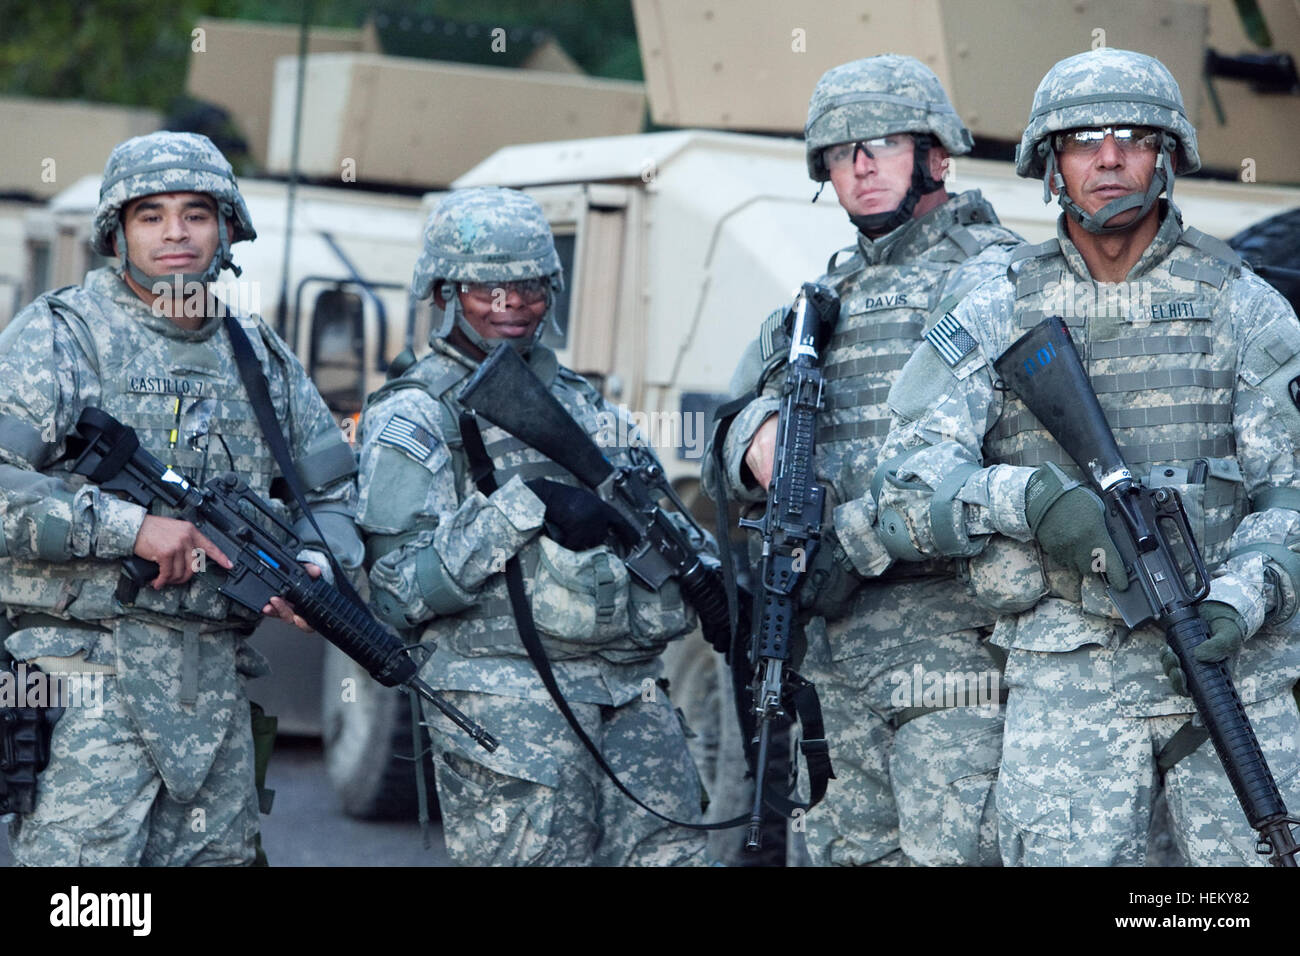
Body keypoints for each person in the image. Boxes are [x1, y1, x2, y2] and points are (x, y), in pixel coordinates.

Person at [874, 48, 1300, 866]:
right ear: (1050, 163)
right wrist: (1030, 501)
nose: (1109, 158)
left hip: (1229, 671)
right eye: (1083, 139)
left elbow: (1293, 494)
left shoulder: (1244, 306)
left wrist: (1242, 599)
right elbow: (903, 488)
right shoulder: (996, 305)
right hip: (1069, 681)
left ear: (1167, 153)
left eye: (1134, 137)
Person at [0, 131, 361, 866]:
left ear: (227, 228)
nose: (175, 234)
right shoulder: (62, 336)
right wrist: (128, 528)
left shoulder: (259, 355)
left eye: (196, 214)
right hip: (86, 683)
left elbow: (332, 490)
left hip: (213, 689)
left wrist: (319, 564)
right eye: (151, 215)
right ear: (118, 231)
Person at [707, 55, 1022, 866]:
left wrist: (861, 531)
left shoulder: (1003, 277)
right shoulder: (821, 301)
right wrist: (759, 446)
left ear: (938, 155)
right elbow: (724, 428)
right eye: (841, 153)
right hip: (837, 648)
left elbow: (1026, 464)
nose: (861, 166)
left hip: (958, 645)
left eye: (882, 144)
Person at [357, 186, 710, 866]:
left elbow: (656, 515)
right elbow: (396, 594)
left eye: (527, 286)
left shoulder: (583, 403)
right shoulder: (416, 416)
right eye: (484, 289)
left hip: (629, 693)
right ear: (444, 294)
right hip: (508, 704)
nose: (509, 305)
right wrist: (522, 506)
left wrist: (713, 588)